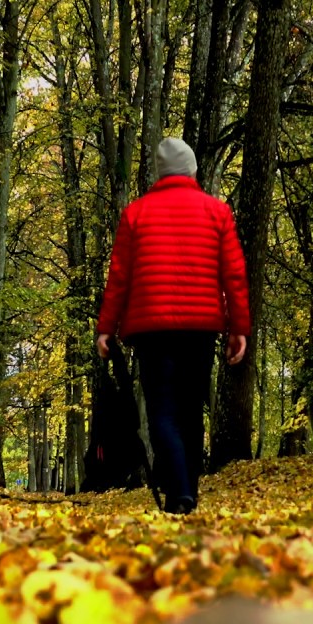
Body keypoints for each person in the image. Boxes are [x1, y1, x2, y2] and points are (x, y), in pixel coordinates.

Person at [96, 137, 251, 515]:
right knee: (188, 413)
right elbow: (234, 275)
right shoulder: (217, 213)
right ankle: (185, 493)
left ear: (159, 173)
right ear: (193, 170)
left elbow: (120, 277)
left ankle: (180, 493)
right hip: (200, 329)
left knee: (163, 414)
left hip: (152, 330)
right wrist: (238, 328)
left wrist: (106, 327)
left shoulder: (136, 214)